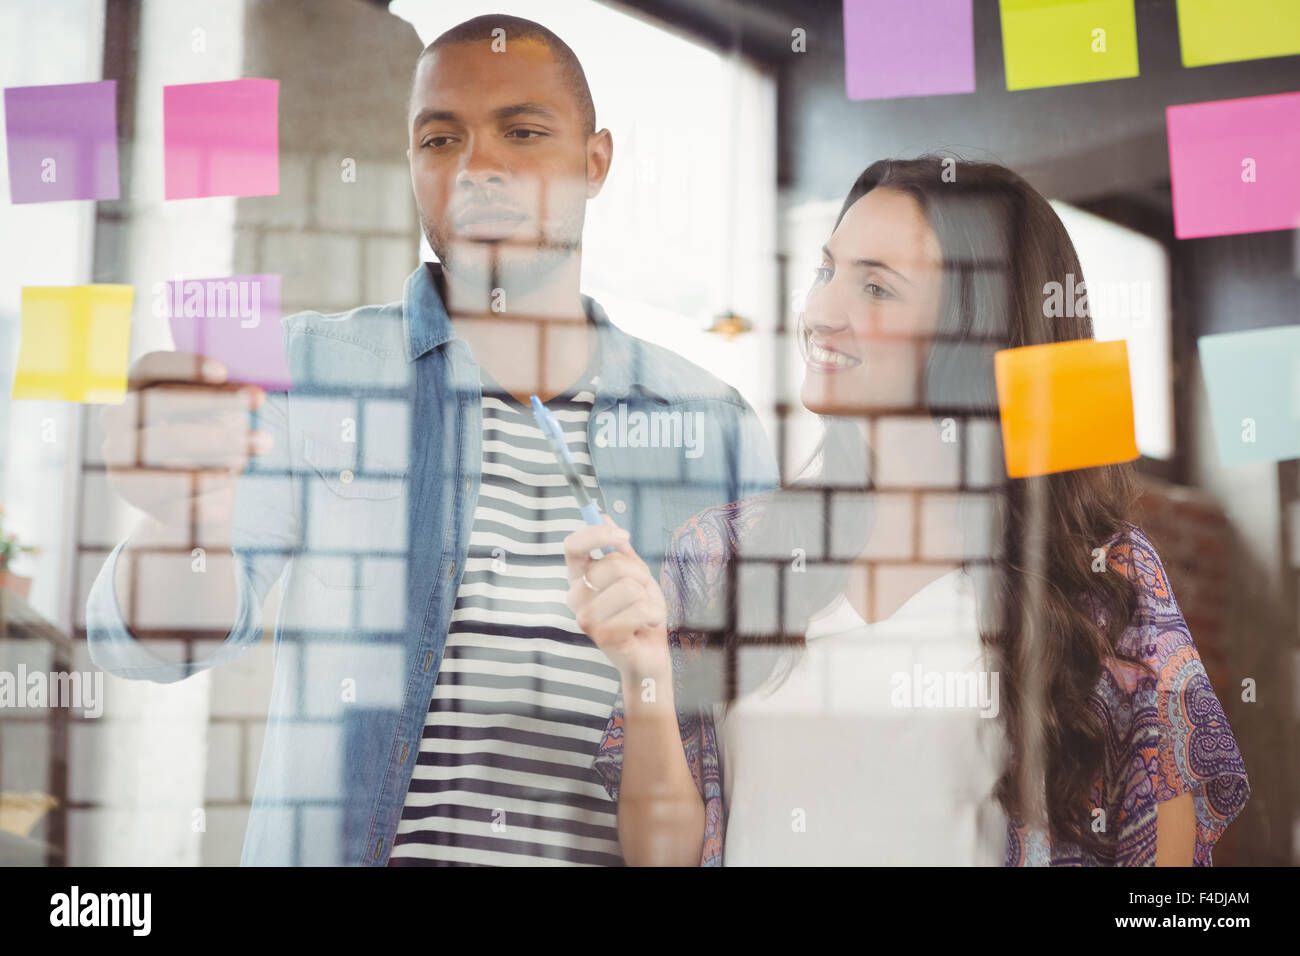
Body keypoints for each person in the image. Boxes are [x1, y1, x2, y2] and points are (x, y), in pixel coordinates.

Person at [86, 15, 776, 867]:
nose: (477, 167)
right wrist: (182, 514)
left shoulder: (714, 427)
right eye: (440, 139)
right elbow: (144, 644)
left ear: (596, 161)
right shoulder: (307, 368)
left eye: (522, 132)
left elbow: (746, 763)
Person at [565, 157, 1250, 866]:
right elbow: (662, 854)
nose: (822, 313)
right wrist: (644, 669)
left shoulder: (1100, 576)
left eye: (875, 288)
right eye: (827, 272)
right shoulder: (722, 558)